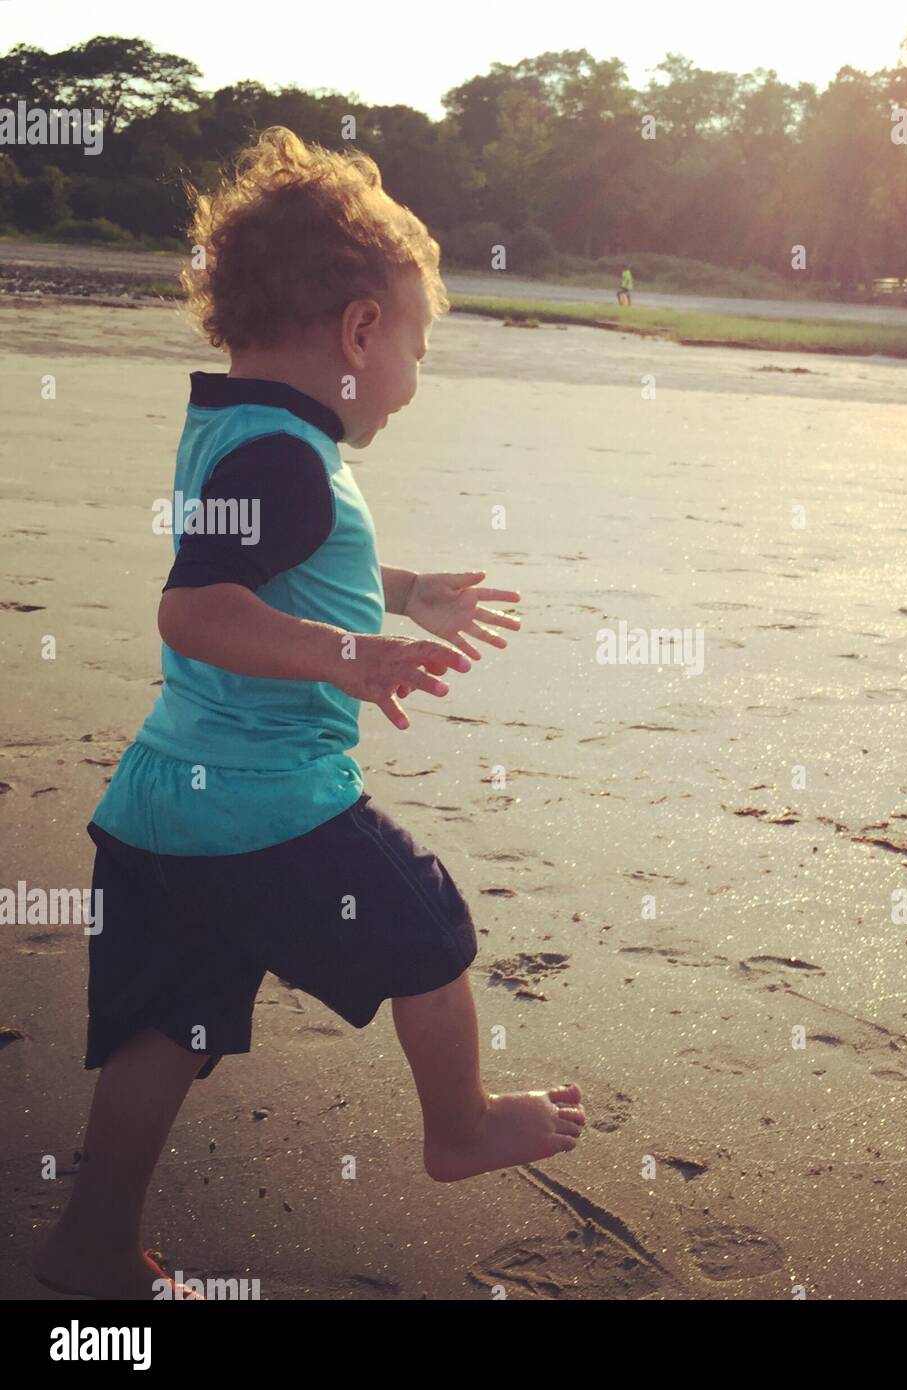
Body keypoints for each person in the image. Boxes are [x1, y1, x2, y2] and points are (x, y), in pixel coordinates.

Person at [32, 127, 586, 1301]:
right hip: (266, 808)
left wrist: (400, 593)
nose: (416, 379)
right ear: (360, 330)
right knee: (427, 928)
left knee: (166, 1029)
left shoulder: (242, 433)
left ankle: (92, 1246)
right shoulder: (287, 460)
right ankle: (463, 1125)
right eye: (420, 347)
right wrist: (348, 656)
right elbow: (196, 611)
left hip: (159, 808)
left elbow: (275, 564)